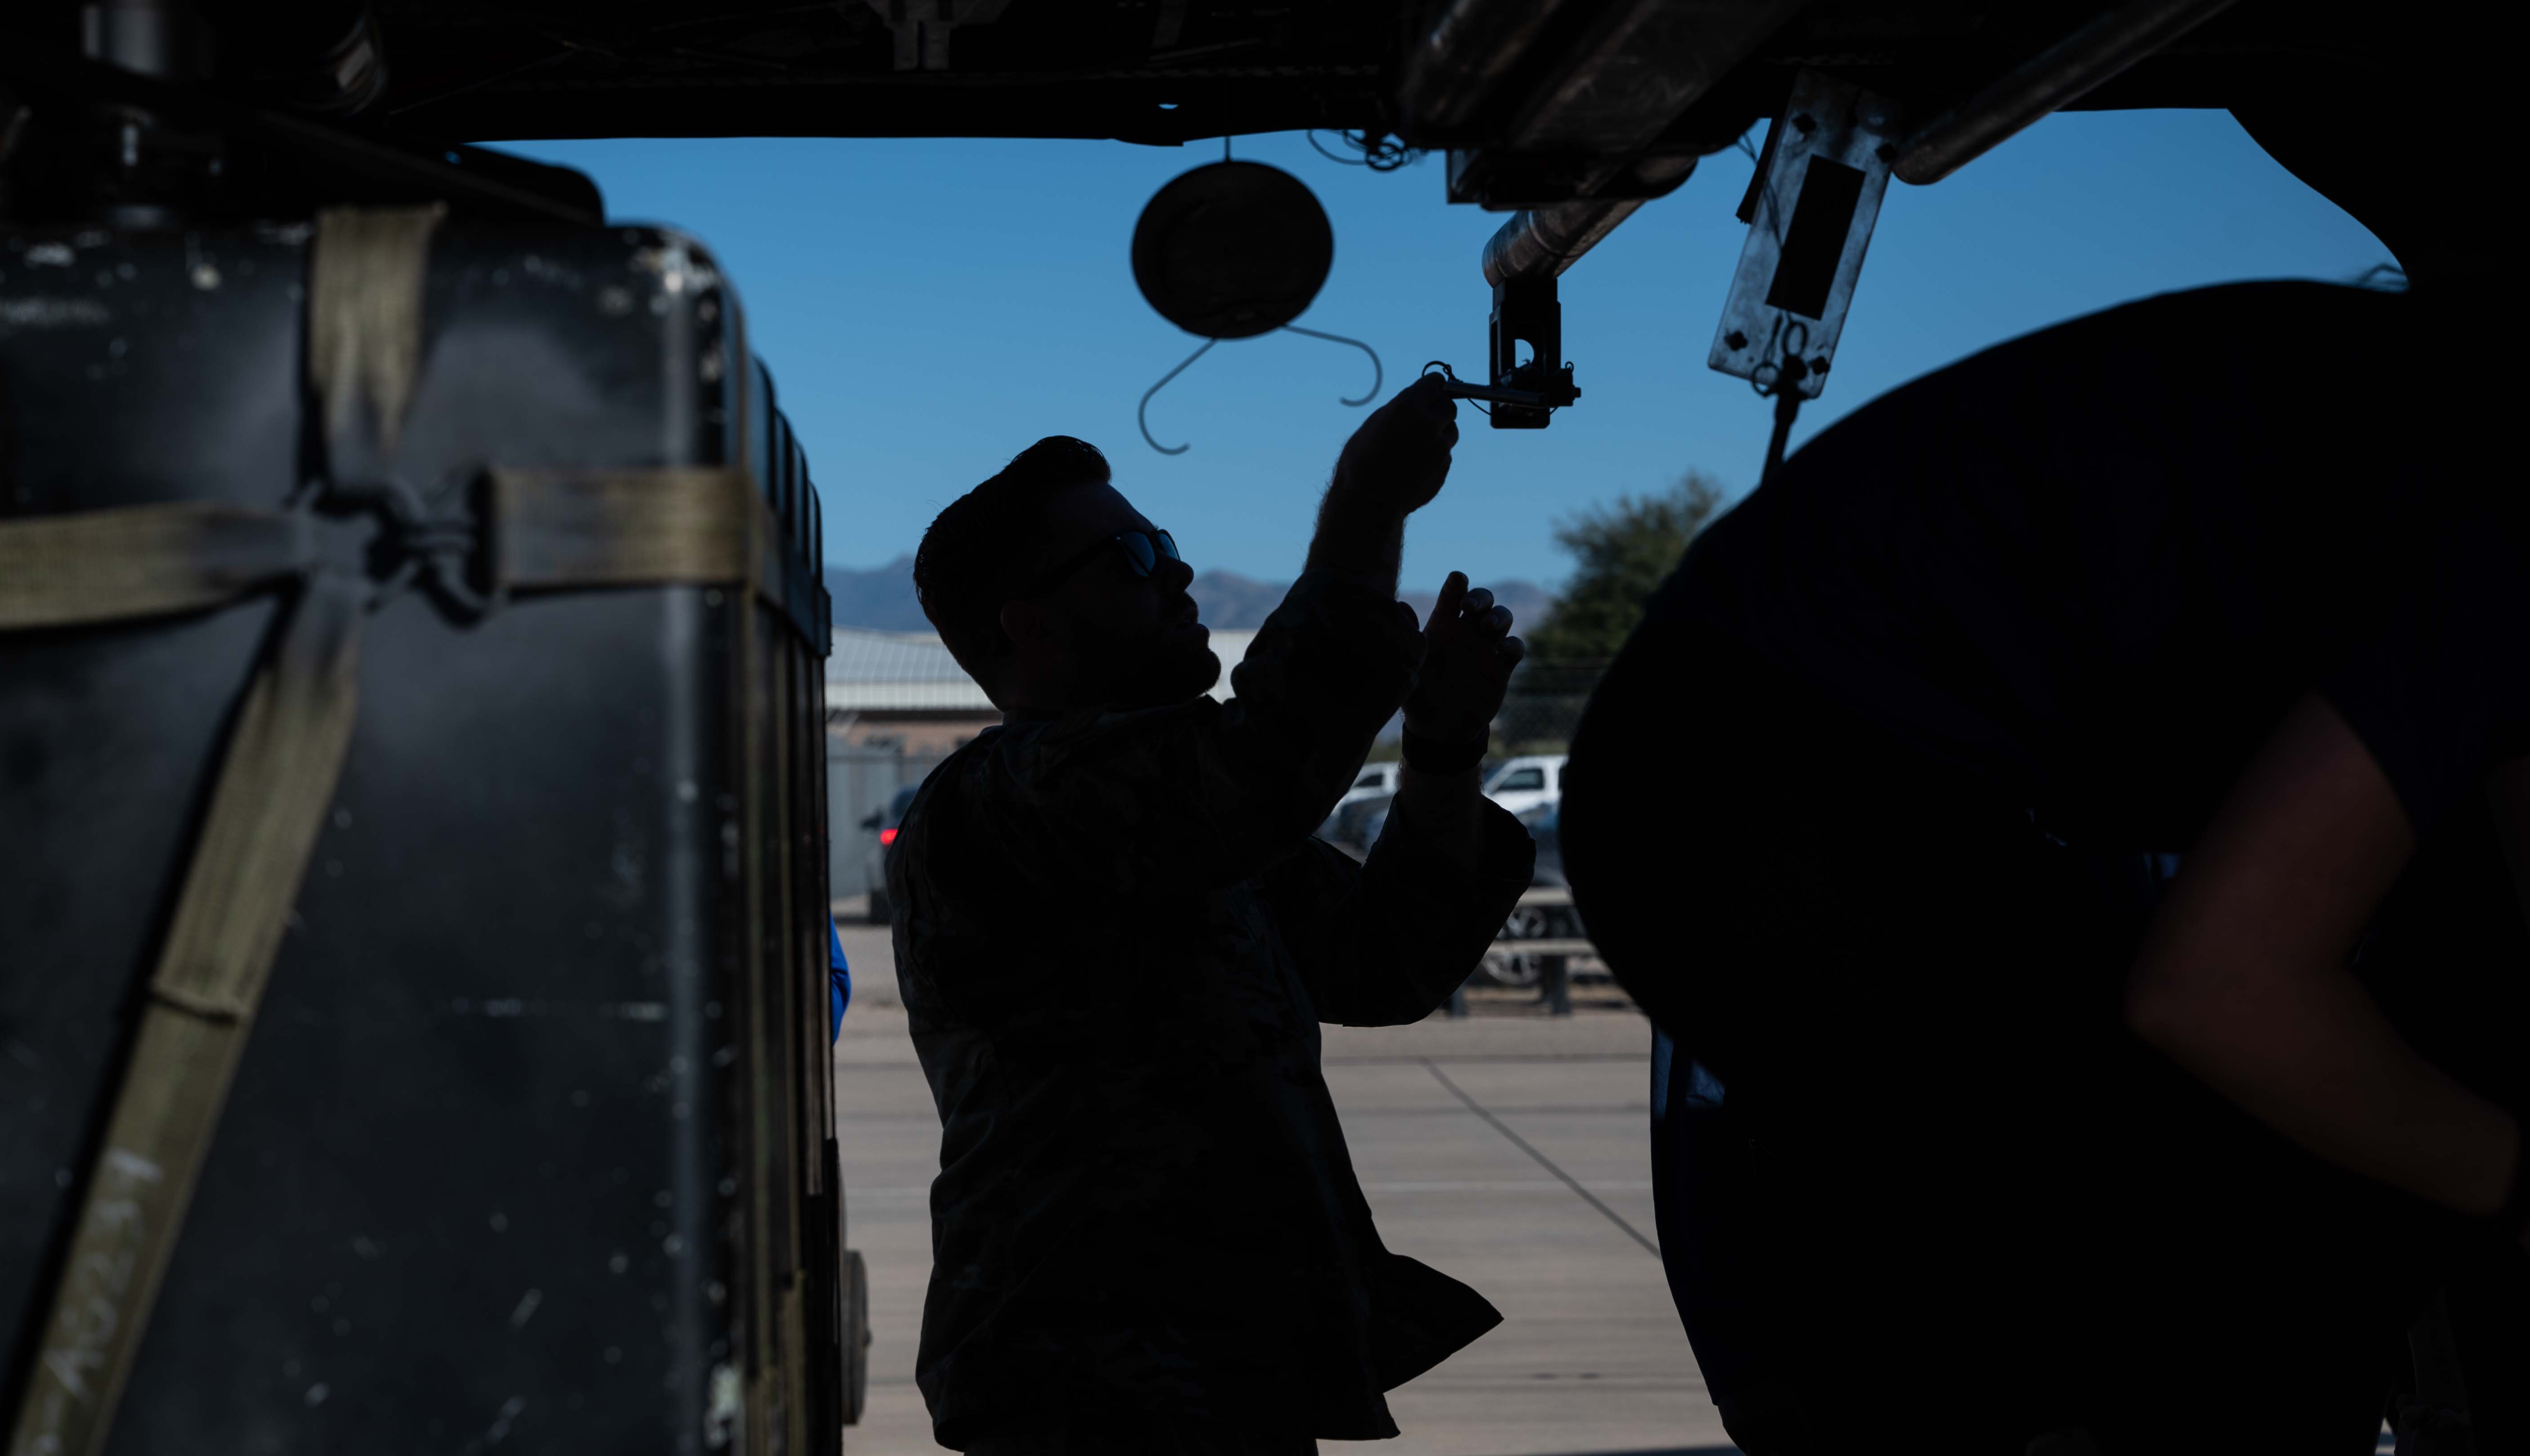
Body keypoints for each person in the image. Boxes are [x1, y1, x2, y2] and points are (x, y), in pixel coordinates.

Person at [1561, 276, 2530, 1454]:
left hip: (1752, 761)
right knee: (2238, 1239)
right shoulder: (2496, 496)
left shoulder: (2429, 426)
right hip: (1781, 787)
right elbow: (2220, 991)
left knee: (2166, 1265)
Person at [889, 375, 1536, 1456]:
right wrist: (1367, 508)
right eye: (1134, 560)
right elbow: (1267, 760)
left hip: (1229, 1368)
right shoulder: (1008, 802)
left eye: (1168, 544)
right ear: (1032, 625)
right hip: (1092, 1392)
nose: (1178, 572)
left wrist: (1442, 749)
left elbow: (1387, 959)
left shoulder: (1164, 820)